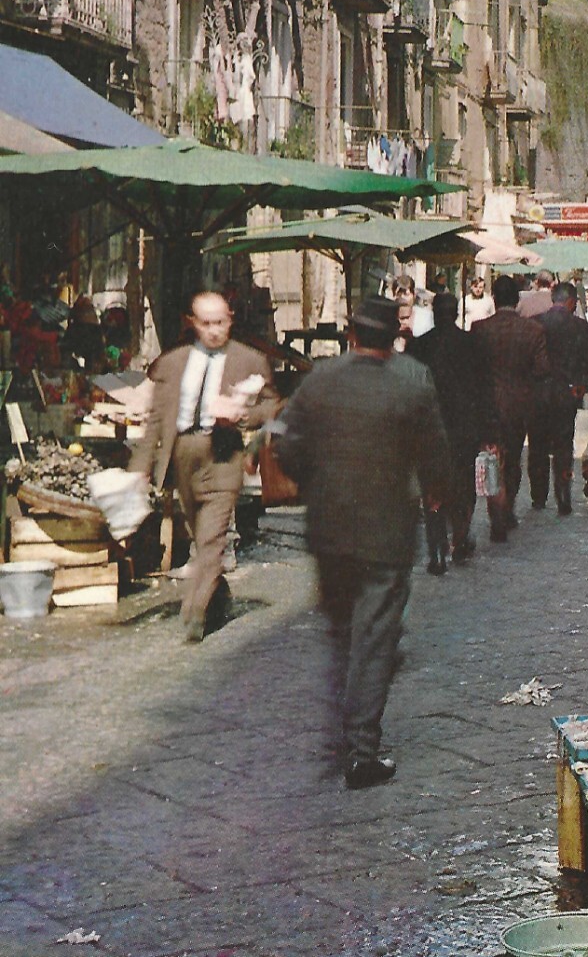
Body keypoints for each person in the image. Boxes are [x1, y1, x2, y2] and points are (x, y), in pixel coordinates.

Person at [275, 297, 449, 790]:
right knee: (374, 640)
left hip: (328, 530)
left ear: (351, 334)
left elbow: (287, 447)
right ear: (394, 337)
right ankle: (361, 750)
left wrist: (315, 484)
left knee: (341, 633)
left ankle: (343, 732)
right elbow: (435, 453)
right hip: (386, 532)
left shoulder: (320, 380)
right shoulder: (412, 382)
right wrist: (436, 493)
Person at [130, 291, 278, 642]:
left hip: (224, 453)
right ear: (193, 323)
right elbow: (156, 420)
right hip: (183, 453)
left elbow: (273, 405)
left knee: (212, 537)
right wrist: (140, 466)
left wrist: (243, 413)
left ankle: (195, 612)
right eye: (206, 323)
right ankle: (217, 591)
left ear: (230, 320)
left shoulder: (250, 359)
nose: (213, 330)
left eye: (220, 322)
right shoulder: (172, 362)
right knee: (197, 530)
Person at [409, 291, 494, 573]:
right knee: (463, 486)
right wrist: (488, 430)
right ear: (456, 313)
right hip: (464, 429)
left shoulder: (418, 346)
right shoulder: (473, 344)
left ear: (435, 314)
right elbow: (485, 390)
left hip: (428, 428)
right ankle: (459, 538)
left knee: (432, 488)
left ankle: (437, 550)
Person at [473, 275, 551, 540]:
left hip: (486, 404)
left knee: (491, 458)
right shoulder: (533, 330)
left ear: (494, 298)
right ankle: (507, 509)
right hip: (519, 405)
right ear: (517, 300)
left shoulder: (479, 328)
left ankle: (496, 512)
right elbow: (542, 370)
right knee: (513, 459)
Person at [530, 282, 588, 514]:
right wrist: (582, 387)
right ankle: (563, 496)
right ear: (571, 301)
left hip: (538, 395)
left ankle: (538, 497)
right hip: (566, 395)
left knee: (537, 446)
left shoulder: (535, 323)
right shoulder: (581, 327)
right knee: (564, 448)